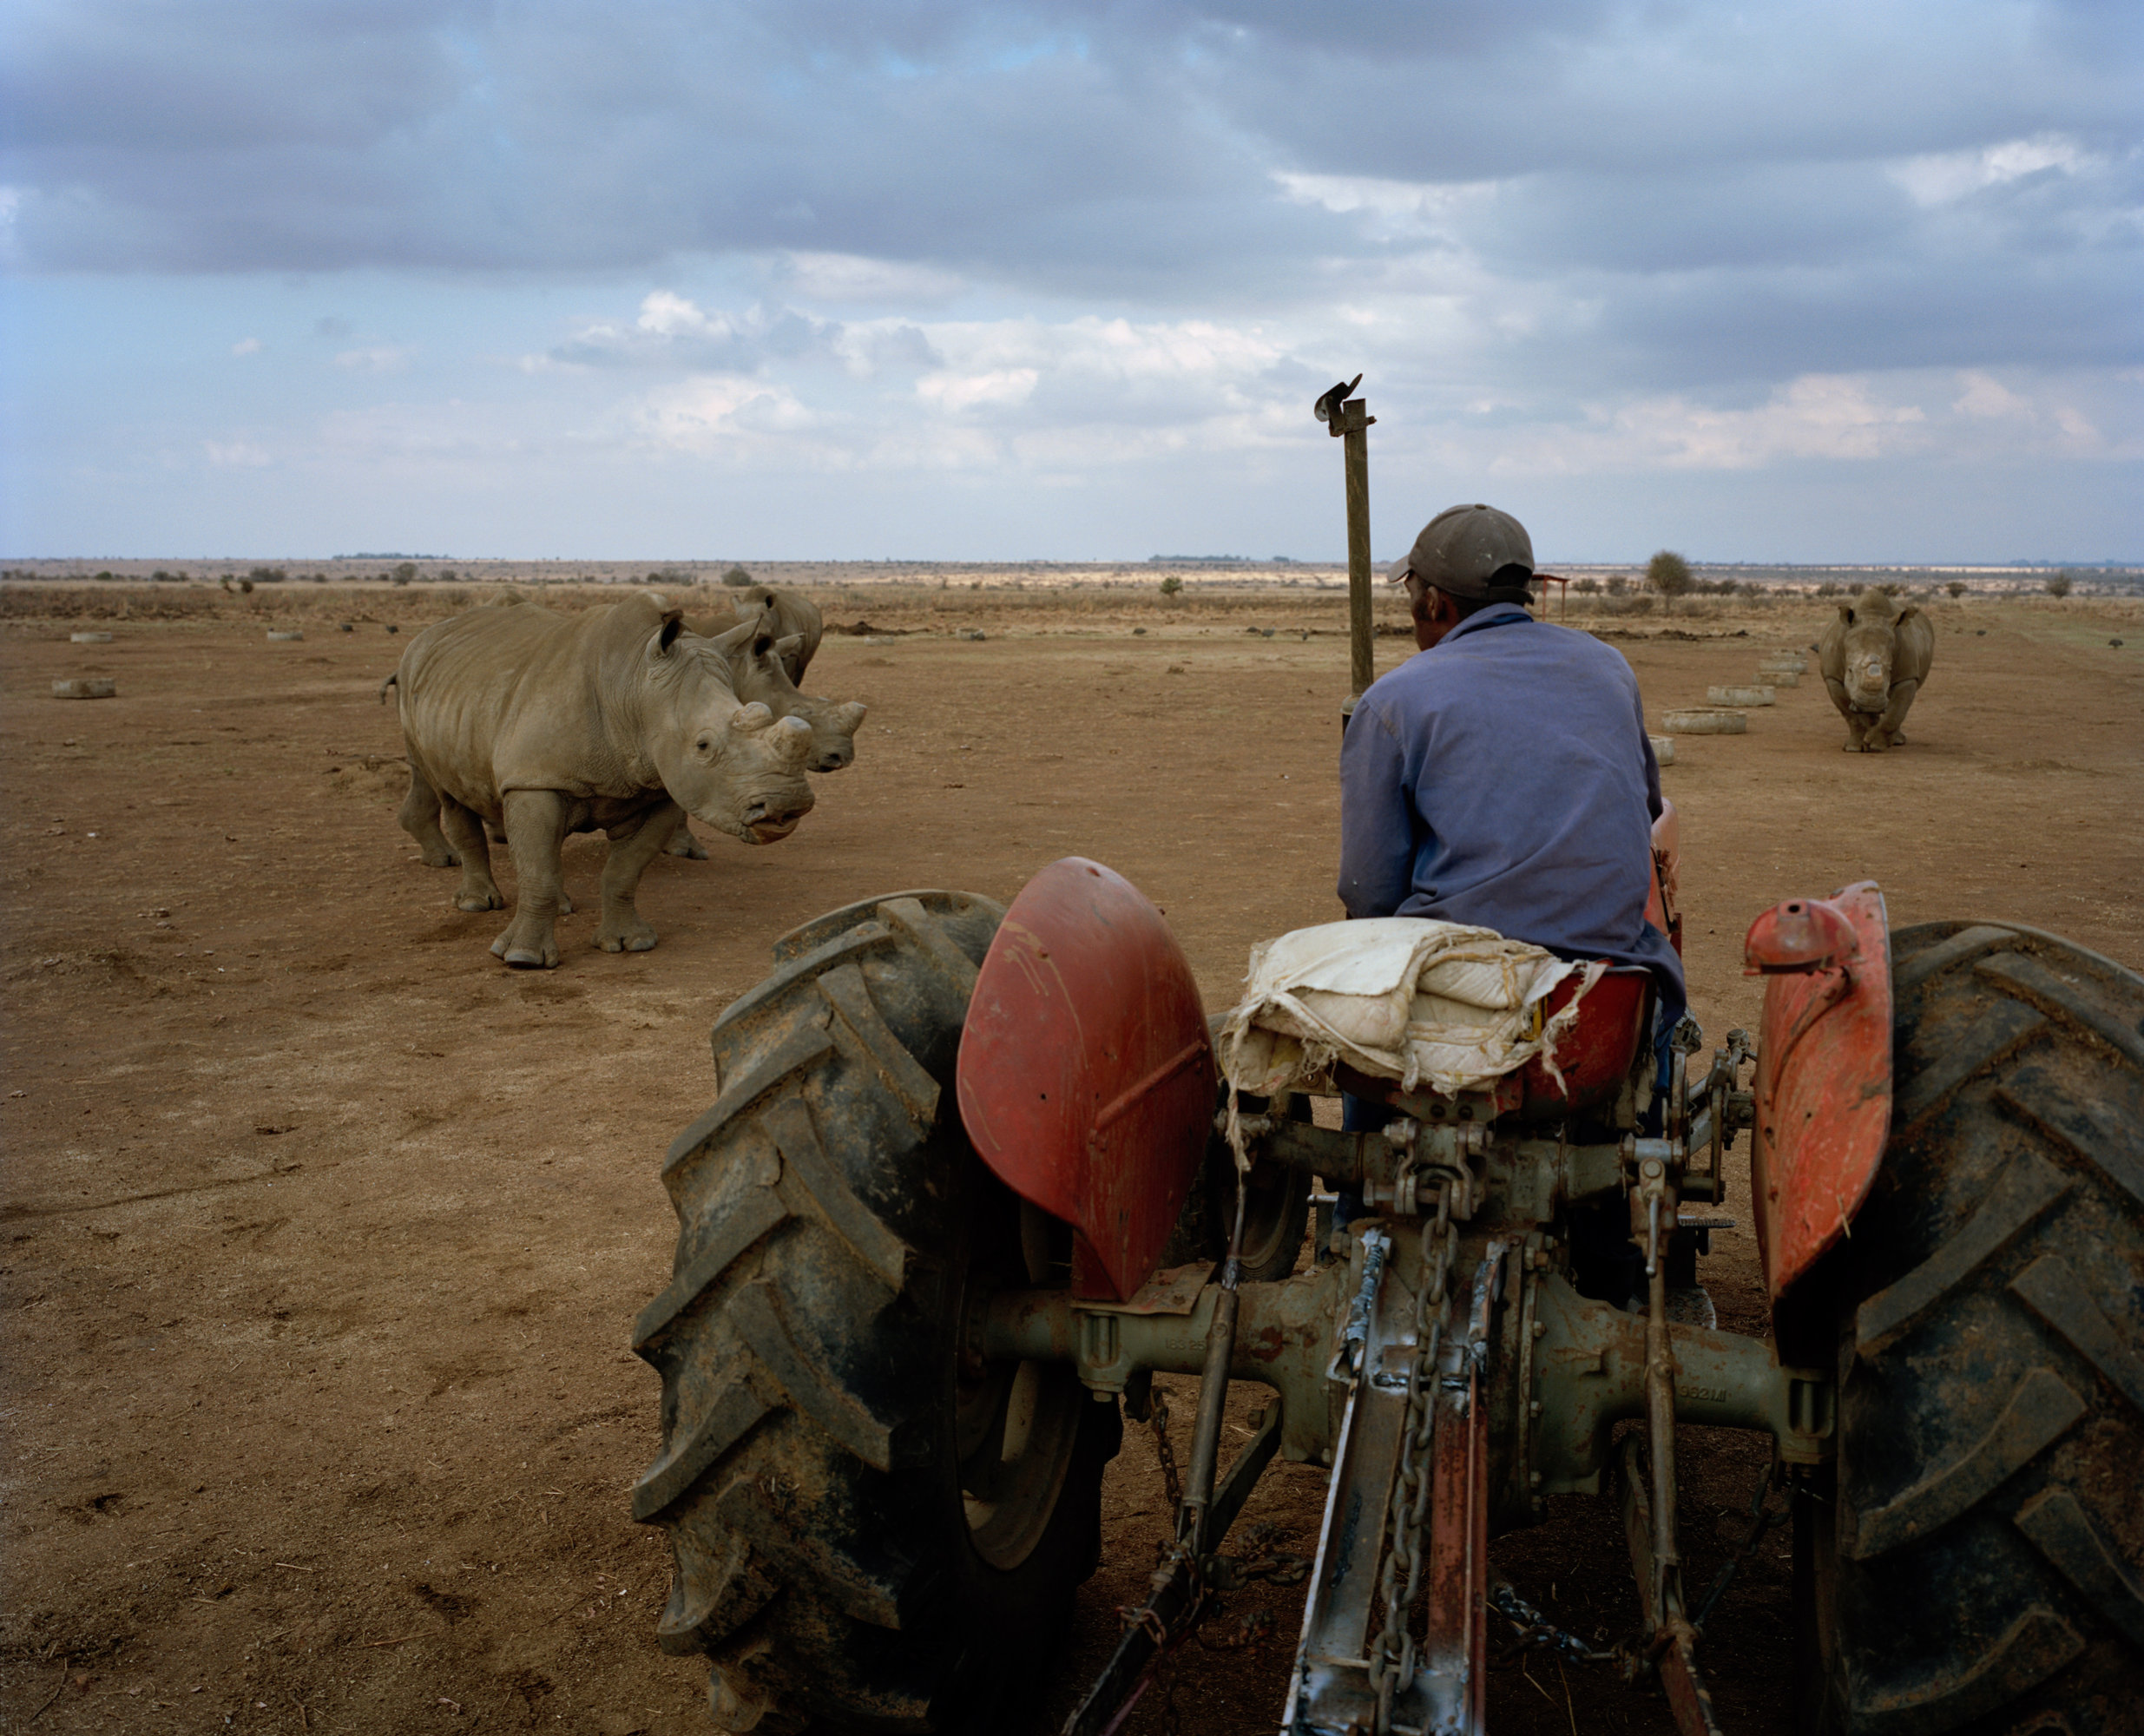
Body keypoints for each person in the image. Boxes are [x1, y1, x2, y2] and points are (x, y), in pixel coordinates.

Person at [1336, 502, 1685, 1027]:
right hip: (1607, 974)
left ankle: (1362, 1112)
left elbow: (1369, 891)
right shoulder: (1609, 667)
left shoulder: (1395, 701)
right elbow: (1649, 807)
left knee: (1362, 1043)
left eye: (1410, 597)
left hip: (1457, 984)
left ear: (1433, 605)